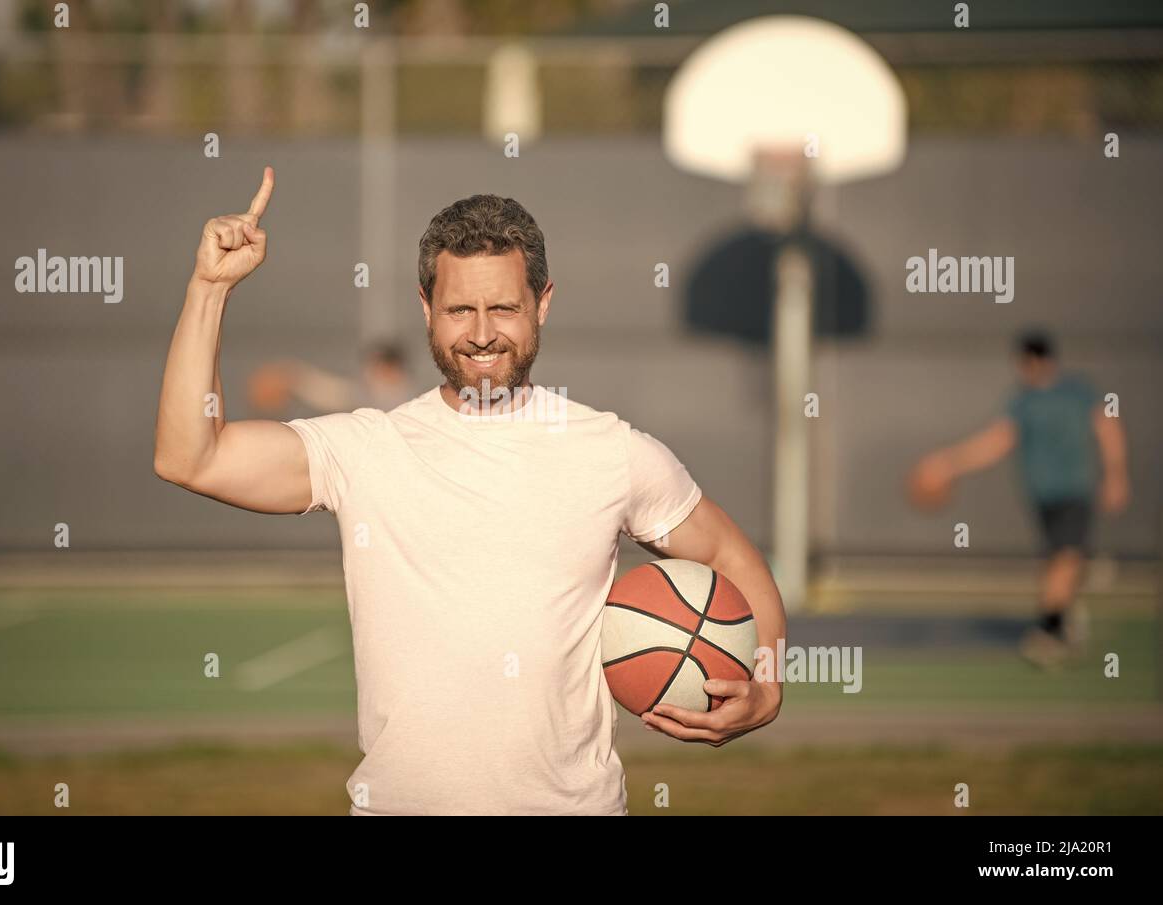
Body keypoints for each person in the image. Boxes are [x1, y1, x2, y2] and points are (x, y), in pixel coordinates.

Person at [153, 167, 785, 815]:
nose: (482, 332)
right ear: (426, 308)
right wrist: (209, 288)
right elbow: (190, 457)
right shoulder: (366, 449)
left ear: (542, 302)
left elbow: (733, 556)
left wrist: (767, 683)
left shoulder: (613, 452)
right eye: (460, 309)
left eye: (504, 307)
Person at [908, 330, 1130, 668]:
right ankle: (1064, 615)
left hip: (1075, 490)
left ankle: (1050, 630)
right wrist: (949, 463)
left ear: (1035, 360)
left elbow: (1107, 426)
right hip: (1042, 495)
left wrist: (1116, 473)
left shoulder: (1076, 391)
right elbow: (997, 441)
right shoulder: (1023, 402)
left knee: (1067, 557)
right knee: (1059, 560)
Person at [246, 342, 415, 416]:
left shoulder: (391, 401)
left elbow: (337, 396)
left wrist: (294, 377)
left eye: (374, 367)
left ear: (390, 369)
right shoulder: (386, 397)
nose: (367, 374)